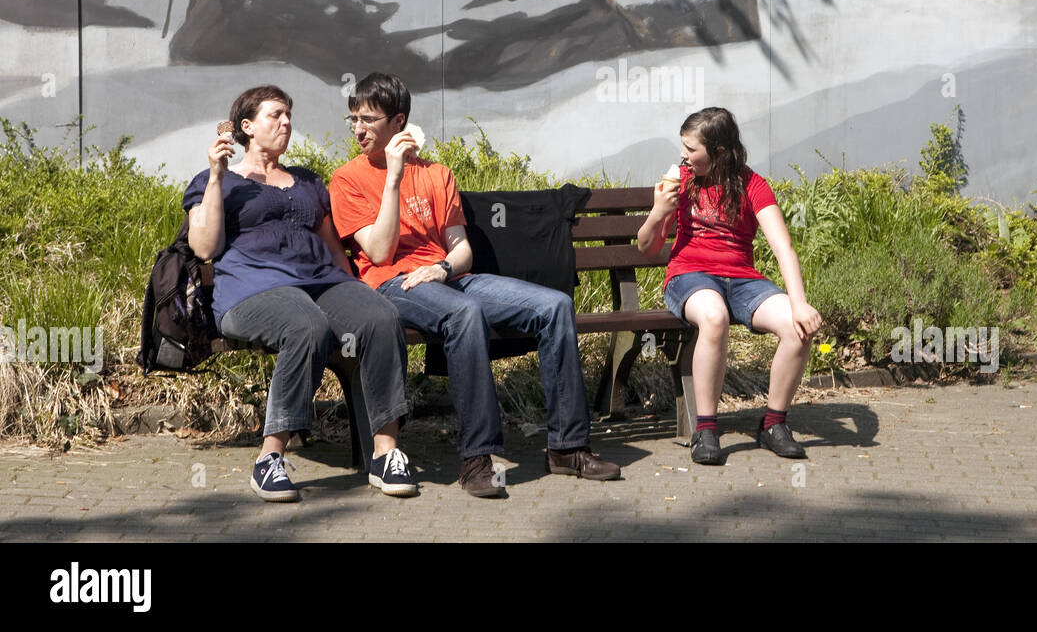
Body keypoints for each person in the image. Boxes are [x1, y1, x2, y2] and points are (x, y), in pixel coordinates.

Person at [327, 72, 620, 497]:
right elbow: (378, 253)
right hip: (393, 283)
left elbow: (461, 249)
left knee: (555, 306)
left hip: (447, 278)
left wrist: (443, 269)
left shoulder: (436, 174)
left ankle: (567, 447)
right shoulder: (347, 179)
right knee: (465, 314)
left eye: (368, 120)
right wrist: (391, 178)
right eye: (353, 119)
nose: (358, 129)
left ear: (398, 122)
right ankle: (476, 459)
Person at [184, 85, 419, 502]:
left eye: (289, 115)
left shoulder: (308, 180)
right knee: (305, 324)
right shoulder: (215, 179)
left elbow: (333, 251)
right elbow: (204, 247)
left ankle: (386, 453)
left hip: (321, 283)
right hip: (252, 290)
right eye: (275, 115)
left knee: (380, 316)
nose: (286, 122)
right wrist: (217, 176)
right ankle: (270, 458)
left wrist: (356, 293)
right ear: (247, 127)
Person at [637, 106, 823, 465]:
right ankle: (705, 429)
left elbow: (782, 246)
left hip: (742, 280)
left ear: (718, 152)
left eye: (691, 150)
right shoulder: (681, 182)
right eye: (683, 147)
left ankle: (773, 424)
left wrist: (798, 303)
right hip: (689, 276)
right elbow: (647, 249)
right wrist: (659, 210)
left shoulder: (753, 185)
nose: (683, 155)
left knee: (797, 329)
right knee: (714, 316)